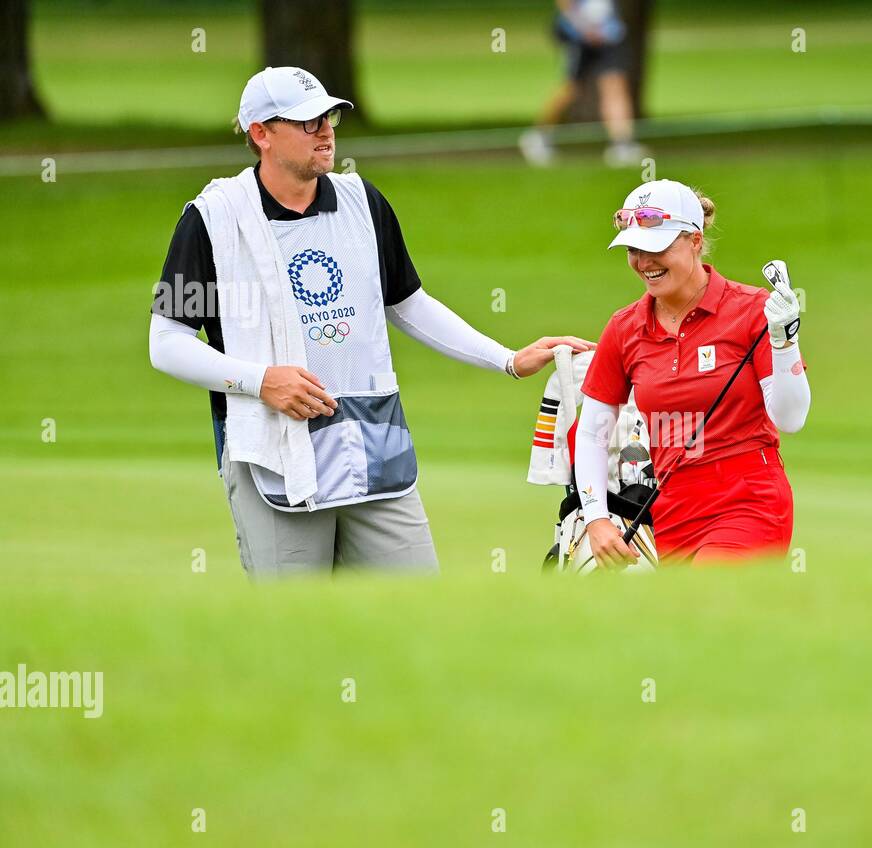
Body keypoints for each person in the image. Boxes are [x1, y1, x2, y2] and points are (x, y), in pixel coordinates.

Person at [149, 66, 593, 577]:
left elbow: (408, 304)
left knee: (417, 609)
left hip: (373, 446)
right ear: (260, 134)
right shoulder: (211, 218)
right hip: (275, 452)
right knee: (299, 626)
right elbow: (167, 341)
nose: (325, 130)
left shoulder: (364, 201)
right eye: (306, 121)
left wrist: (508, 359)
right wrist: (261, 381)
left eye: (329, 116)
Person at [574, 179, 811, 568]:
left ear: (695, 241)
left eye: (657, 248)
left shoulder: (752, 309)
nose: (643, 262)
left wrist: (784, 342)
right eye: (634, 250)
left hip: (749, 498)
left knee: (710, 592)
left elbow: (791, 418)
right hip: (674, 509)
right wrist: (597, 518)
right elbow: (593, 430)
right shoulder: (624, 328)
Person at [518, 0, 646, 168]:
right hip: (580, 36)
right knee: (572, 89)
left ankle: (621, 144)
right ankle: (538, 136)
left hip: (608, 35)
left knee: (615, 86)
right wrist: (584, 28)